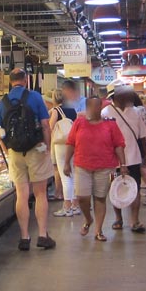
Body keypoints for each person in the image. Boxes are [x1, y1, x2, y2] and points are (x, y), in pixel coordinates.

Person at [0, 68, 55, 250]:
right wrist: (47, 147)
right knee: (40, 193)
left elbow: (0, 132)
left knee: (21, 194)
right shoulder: (35, 97)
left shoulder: (2, 103)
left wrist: (7, 151)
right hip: (36, 149)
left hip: (15, 152)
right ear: (26, 80)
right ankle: (42, 234)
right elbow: (45, 125)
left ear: (10, 81)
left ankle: (24, 237)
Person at [62, 95, 127, 242]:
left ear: (101, 107)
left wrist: (123, 165)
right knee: (82, 197)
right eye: (90, 106)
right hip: (82, 165)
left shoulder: (110, 125)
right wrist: (66, 162)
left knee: (100, 198)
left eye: (97, 106)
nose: (94, 109)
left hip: (104, 166)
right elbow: (71, 142)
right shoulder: (79, 123)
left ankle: (98, 230)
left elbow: (119, 145)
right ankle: (88, 219)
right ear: (87, 107)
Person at [102, 88, 146, 233]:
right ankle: (118, 218)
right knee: (115, 188)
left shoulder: (135, 112)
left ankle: (135, 220)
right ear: (116, 96)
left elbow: (142, 136)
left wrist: (145, 156)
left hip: (133, 157)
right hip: (113, 159)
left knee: (135, 189)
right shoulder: (106, 112)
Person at [50, 84, 81, 218]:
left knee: (65, 176)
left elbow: (50, 128)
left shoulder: (56, 111)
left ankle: (67, 206)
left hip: (61, 145)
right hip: (73, 144)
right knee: (73, 175)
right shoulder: (72, 110)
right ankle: (75, 205)